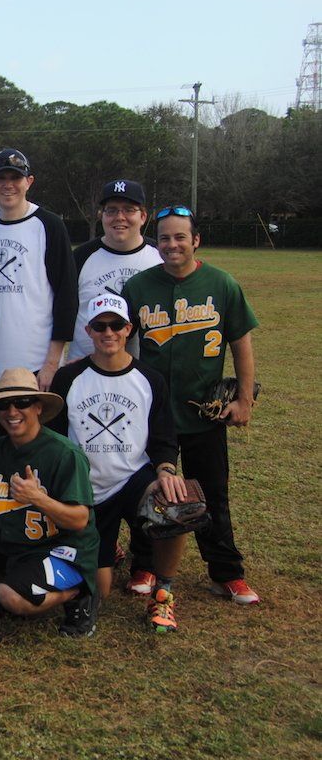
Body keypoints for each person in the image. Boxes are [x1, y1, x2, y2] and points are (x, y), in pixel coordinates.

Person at [121, 206, 261, 604]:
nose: (172, 244)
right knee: (148, 492)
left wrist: (244, 400)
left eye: (180, 236)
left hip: (203, 411)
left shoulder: (221, 283)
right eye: (164, 237)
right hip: (153, 413)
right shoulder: (139, 286)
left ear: (196, 240)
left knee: (213, 493)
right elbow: (121, 341)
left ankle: (226, 573)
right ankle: (144, 564)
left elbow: (241, 343)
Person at [49, 295, 188, 632]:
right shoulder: (69, 379)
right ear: (89, 330)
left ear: (128, 329)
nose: (107, 332)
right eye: (100, 326)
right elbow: (54, 436)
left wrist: (167, 471)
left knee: (178, 505)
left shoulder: (149, 379)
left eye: (115, 325)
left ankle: (163, 595)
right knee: (100, 591)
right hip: (84, 489)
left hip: (132, 479)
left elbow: (164, 436)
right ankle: (103, 549)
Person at [0, 368, 100, 637]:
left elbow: (79, 520)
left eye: (22, 403)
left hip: (61, 549)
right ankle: (11, 589)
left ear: (39, 407)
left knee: (12, 597)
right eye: (4, 405)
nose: (12, 411)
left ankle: (78, 594)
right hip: (19, 544)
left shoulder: (63, 453)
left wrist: (38, 498)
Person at [0, 149, 78, 443]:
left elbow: (67, 295)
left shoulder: (49, 225)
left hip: (34, 364)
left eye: (15, 178)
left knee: (32, 446)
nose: (8, 185)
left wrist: (52, 363)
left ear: (29, 181)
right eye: (1, 177)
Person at [67, 180, 162, 363]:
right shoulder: (81, 257)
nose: (120, 217)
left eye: (128, 209)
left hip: (142, 372)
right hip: (85, 368)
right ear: (102, 216)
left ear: (143, 216)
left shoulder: (159, 256)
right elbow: (63, 311)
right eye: (111, 210)